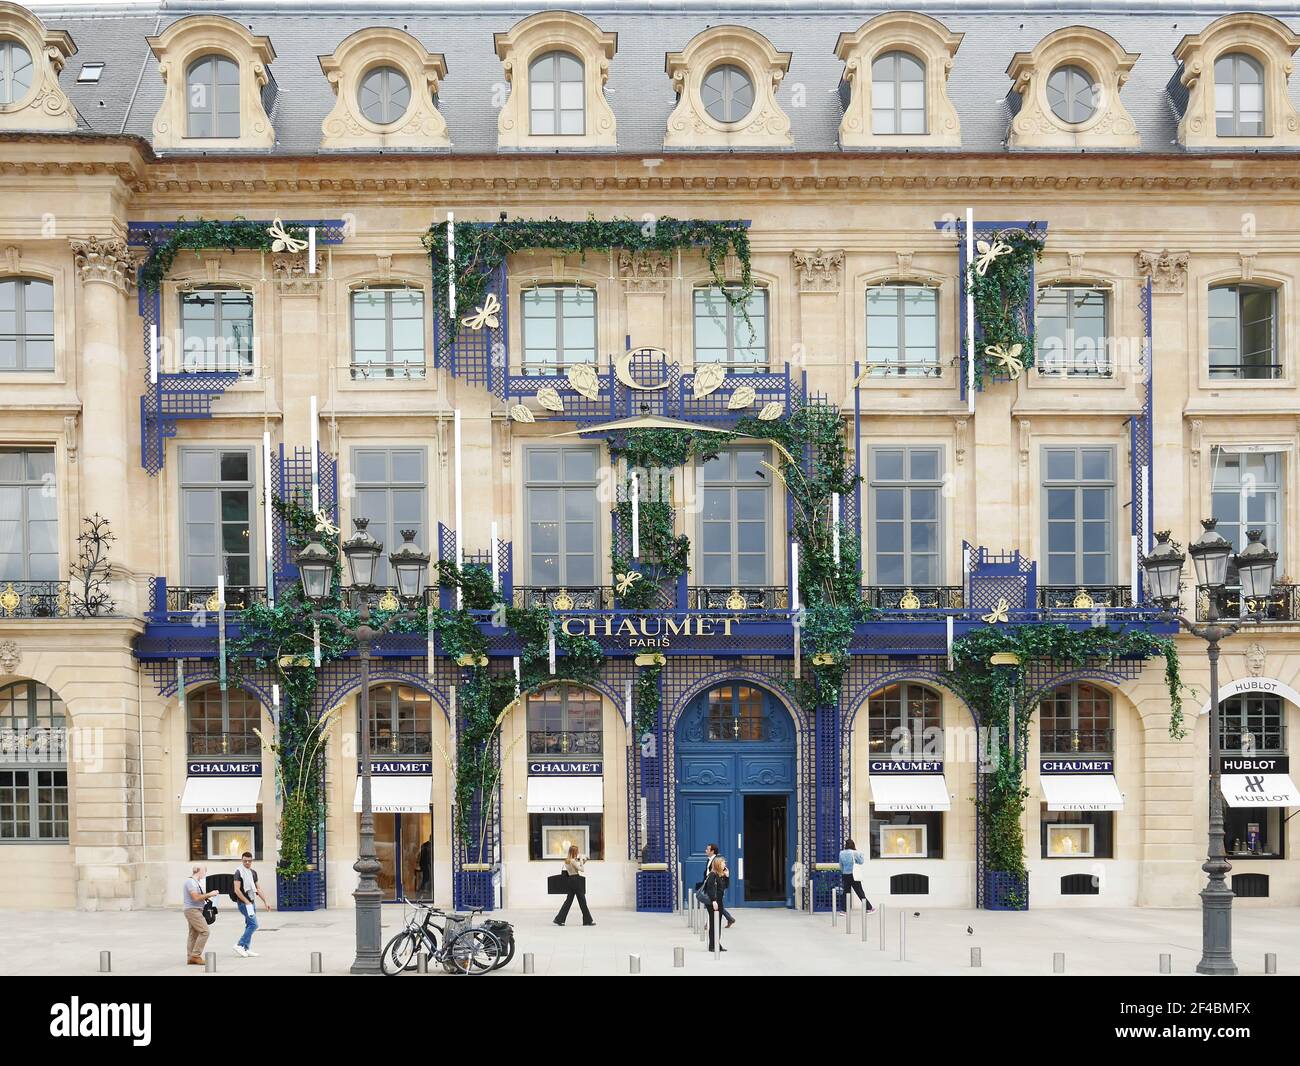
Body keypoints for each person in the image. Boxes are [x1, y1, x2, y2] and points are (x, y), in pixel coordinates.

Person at [232, 851, 271, 958]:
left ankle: (246, 948)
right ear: (242, 860)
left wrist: (265, 901)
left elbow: (258, 888)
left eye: (249, 861)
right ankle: (239, 944)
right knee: (254, 925)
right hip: (244, 904)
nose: (247, 863)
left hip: (251, 903)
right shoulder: (238, 872)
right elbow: (237, 890)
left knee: (249, 925)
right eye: (245, 861)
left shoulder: (253, 873)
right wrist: (246, 901)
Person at [182, 864, 219, 965]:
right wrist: (210, 894)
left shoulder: (195, 882)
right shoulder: (190, 882)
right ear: (199, 871)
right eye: (204, 871)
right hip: (192, 910)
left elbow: (198, 897)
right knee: (205, 931)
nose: (205, 873)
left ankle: (190, 958)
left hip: (194, 909)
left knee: (193, 934)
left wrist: (209, 896)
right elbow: (196, 898)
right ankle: (196, 955)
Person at [553, 844, 595, 927]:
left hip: (570, 881)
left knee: (568, 901)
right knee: (582, 901)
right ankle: (587, 920)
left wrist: (582, 861)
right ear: (574, 852)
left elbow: (576, 867)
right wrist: (582, 861)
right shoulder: (573, 861)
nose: (578, 852)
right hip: (576, 880)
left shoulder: (567, 861)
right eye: (577, 851)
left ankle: (559, 919)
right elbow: (582, 869)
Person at [702, 843, 735, 928]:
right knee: (713, 904)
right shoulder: (709, 860)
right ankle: (728, 918)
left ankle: (711, 923)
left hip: (716, 887)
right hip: (709, 885)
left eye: (707, 849)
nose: (706, 850)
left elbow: (722, 875)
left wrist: (722, 882)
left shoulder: (717, 861)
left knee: (714, 904)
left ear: (712, 851)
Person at [839, 838, 874, 914]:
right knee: (860, 892)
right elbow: (861, 862)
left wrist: (844, 872)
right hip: (854, 875)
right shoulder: (855, 853)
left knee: (845, 892)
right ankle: (869, 908)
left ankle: (843, 910)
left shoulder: (841, 853)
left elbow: (840, 865)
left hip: (845, 875)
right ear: (853, 845)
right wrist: (861, 855)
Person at [703, 856, 729, 952]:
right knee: (714, 923)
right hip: (714, 903)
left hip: (719, 902)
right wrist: (713, 900)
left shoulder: (720, 875)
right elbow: (710, 889)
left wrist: (727, 877)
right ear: (718, 865)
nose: (725, 865)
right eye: (723, 863)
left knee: (717, 924)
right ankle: (712, 945)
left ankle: (716, 943)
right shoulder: (712, 875)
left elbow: (725, 887)